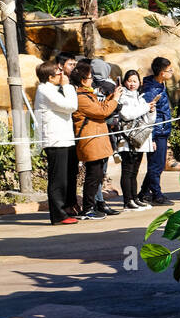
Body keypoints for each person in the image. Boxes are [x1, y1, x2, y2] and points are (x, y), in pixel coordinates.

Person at [70, 64, 120, 219]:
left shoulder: (88, 94)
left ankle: (91, 207)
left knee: (97, 174)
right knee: (93, 176)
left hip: (97, 139)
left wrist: (113, 96)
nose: (93, 79)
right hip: (91, 141)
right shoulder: (81, 97)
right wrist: (116, 100)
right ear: (84, 80)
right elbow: (101, 111)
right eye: (90, 77)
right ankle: (88, 208)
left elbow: (101, 106)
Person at [34, 61, 78, 225]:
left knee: (65, 177)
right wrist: (68, 87)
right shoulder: (45, 90)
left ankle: (64, 210)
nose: (63, 74)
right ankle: (58, 215)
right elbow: (72, 106)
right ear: (50, 77)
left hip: (64, 139)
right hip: (55, 140)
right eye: (59, 72)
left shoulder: (52, 89)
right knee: (58, 179)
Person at [114, 72, 156, 209]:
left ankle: (135, 198)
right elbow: (127, 115)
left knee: (135, 171)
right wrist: (145, 108)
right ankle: (127, 201)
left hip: (140, 139)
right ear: (125, 82)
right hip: (127, 139)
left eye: (135, 81)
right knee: (127, 170)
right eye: (129, 81)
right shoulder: (122, 96)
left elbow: (149, 121)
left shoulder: (141, 97)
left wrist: (151, 110)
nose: (132, 84)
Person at [138, 57, 174, 206]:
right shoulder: (151, 90)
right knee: (156, 165)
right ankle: (156, 194)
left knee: (158, 164)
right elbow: (149, 114)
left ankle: (144, 193)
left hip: (163, 130)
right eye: (169, 70)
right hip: (156, 131)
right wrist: (151, 137)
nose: (171, 72)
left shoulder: (160, 86)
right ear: (161, 72)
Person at [55, 54, 82, 213]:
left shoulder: (74, 83)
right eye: (70, 64)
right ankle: (64, 206)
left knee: (73, 170)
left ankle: (72, 201)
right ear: (60, 66)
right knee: (63, 173)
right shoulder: (56, 87)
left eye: (74, 64)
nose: (74, 67)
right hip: (61, 135)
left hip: (75, 133)